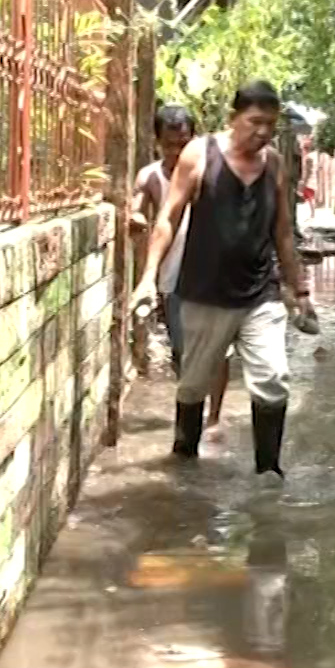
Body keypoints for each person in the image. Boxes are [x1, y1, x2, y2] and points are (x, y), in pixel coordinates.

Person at [132, 80, 316, 478]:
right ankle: (183, 462)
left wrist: (299, 290)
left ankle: (269, 472)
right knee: (193, 385)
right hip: (205, 294)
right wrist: (149, 277)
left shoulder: (275, 166)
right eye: (254, 122)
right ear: (234, 118)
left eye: (270, 123)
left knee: (273, 379)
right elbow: (168, 217)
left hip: (259, 295)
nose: (263, 132)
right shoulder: (200, 155)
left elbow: (283, 232)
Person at [130, 105, 229, 432]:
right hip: (173, 280)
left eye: (183, 143)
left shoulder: (213, 173)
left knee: (219, 353)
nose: (176, 151)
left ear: (193, 140)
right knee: (183, 352)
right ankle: (191, 416)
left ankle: (212, 420)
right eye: (169, 144)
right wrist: (135, 219)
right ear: (157, 141)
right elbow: (135, 207)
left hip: (215, 275)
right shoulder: (150, 176)